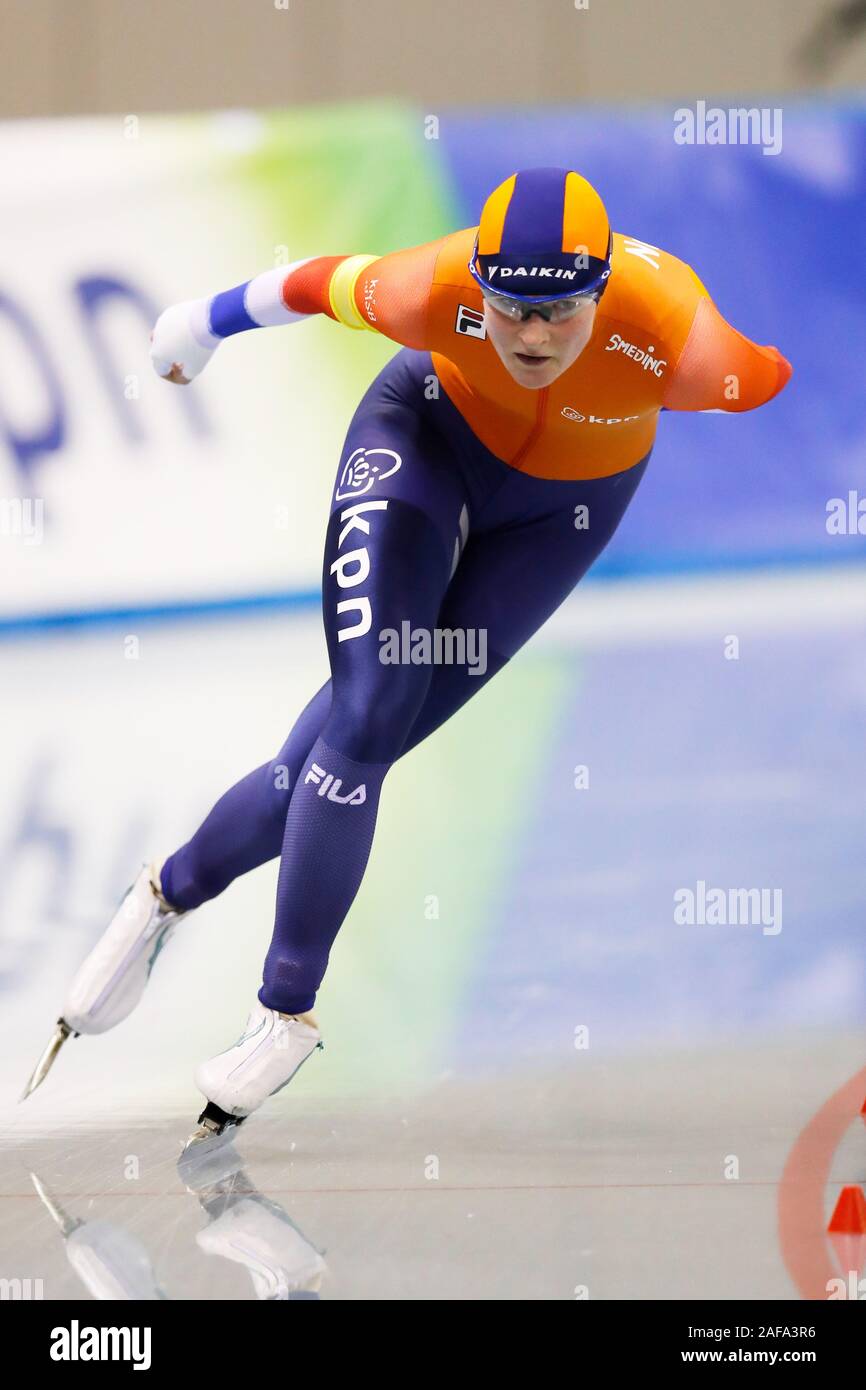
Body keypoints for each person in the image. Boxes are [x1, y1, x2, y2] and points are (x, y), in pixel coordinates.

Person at [23, 167, 792, 1147]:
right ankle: (284, 1011)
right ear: (479, 283)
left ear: (600, 293)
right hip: (419, 442)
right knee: (372, 705)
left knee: (337, 755)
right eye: (508, 307)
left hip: (561, 515)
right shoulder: (429, 288)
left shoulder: (691, 352)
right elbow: (309, 282)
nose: (527, 338)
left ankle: (165, 891)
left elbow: (770, 370)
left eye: (557, 312)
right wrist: (197, 324)